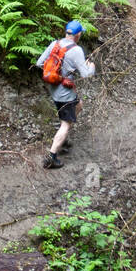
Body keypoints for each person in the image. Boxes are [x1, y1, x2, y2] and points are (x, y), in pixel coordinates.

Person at [35, 20, 96, 170]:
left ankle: (62, 138)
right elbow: (86, 74)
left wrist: (57, 74)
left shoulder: (54, 44)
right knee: (66, 124)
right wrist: (91, 66)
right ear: (78, 34)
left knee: (79, 105)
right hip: (65, 93)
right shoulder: (76, 50)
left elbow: (39, 63)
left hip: (54, 88)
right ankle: (52, 157)